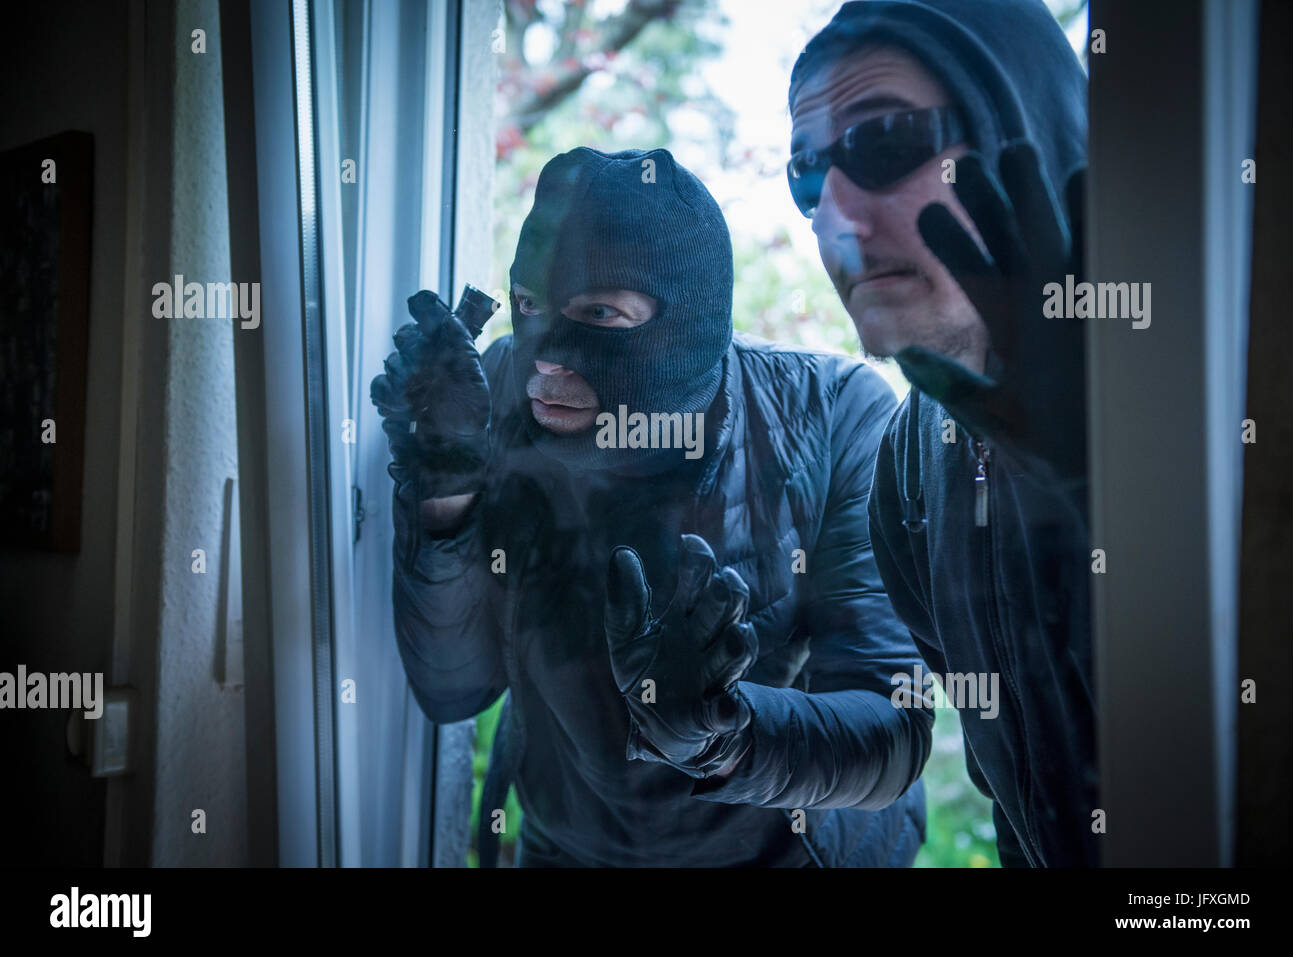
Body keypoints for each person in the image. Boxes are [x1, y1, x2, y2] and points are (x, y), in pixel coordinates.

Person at [370, 146, 930, 867]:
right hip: (566, 849)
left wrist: (725, 729)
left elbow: (895, 726)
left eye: (598, 311)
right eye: (532, 304)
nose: (546, 357)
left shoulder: (832, 416)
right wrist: (442, 491)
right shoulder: (499, 386)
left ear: (689, 322)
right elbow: (453, 688)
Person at [787, 0, 1098, 866]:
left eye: (885, 140)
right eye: (805, 175)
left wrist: (1094, 491)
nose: (833, 218)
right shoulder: (911, 467)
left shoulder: (1206, 382)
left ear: (1022, 136)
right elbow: (1022, 800)